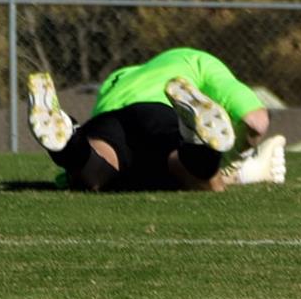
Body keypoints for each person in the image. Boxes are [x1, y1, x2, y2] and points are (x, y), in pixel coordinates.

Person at [28, 46, 286, 191]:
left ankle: (69, 141)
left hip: (109, 119)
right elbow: (256, 121)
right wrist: (230, 165)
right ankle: (193, 138)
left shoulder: (117, 78)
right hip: (159, 115)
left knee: (93, 174)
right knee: (196, 176)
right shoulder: (197, 61)